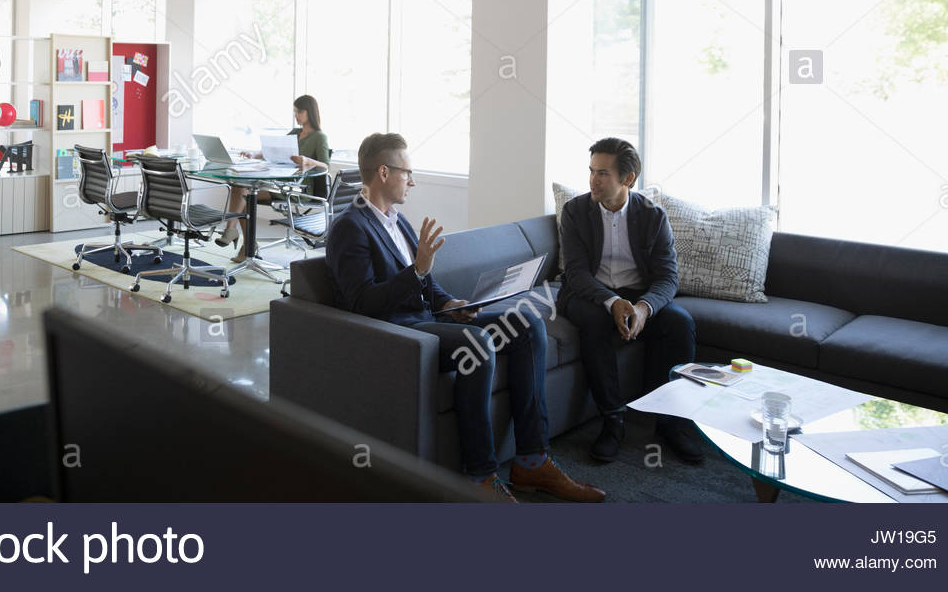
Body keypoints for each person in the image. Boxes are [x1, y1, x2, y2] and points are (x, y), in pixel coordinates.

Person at [326, 132, 606, 502]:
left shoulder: (399, 221)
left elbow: (429, 286)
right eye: (407, 172)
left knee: (526, 324)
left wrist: (449, 303)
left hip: (428, 319)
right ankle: (479, 477)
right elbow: (363, 302)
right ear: (382, 172)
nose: (412, 180)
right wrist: (418, 272)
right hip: (396, 331)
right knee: (477, 342)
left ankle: (533, 461)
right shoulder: (350, 227)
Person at [557, 137, 701, 464]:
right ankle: (613, 419)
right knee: (594, 320)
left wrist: (642, 308)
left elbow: (668, 277)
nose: (594, 179)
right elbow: (576, 273)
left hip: (638, 294)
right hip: (588, 293)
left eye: (603, 173)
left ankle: (670, 422)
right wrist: (612, 302)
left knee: (680, 323)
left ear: (628, 179)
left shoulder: (653, 216)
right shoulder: (575, 211)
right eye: (592, 171)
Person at [216, 95, 330, 261]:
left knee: (244, 195)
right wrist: (254, 154)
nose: (296, 116)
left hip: (298, 189)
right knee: (239, 187)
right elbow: (275, 151)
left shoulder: (320, 137)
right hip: (278, 183)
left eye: (299, 112)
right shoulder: (295, 133)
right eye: (295, 112)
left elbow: (325, 165)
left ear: (310, 112)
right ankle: (242, 240)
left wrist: (307, 161)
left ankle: (239, 238)